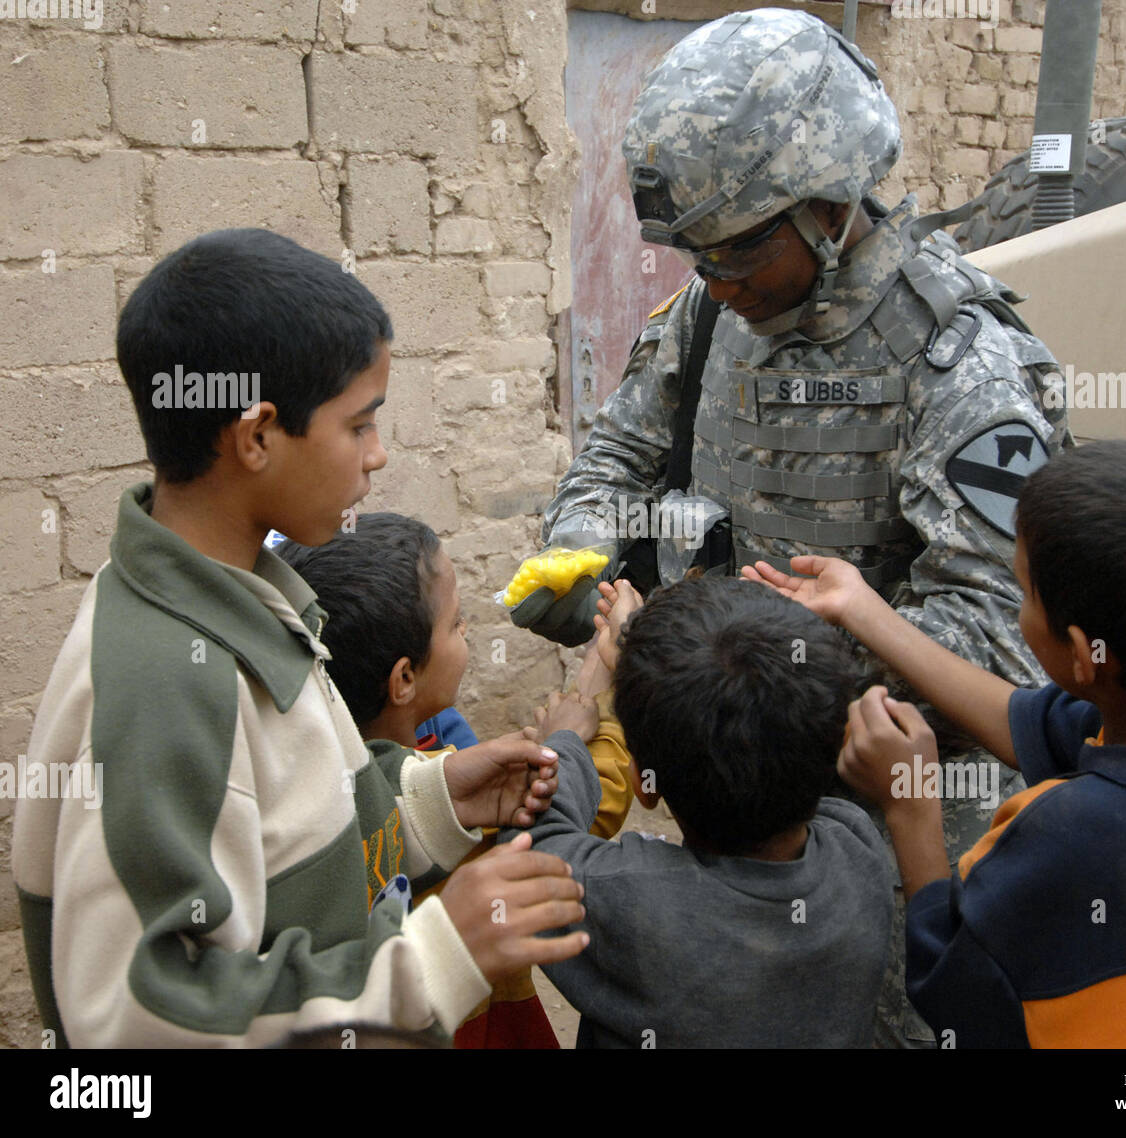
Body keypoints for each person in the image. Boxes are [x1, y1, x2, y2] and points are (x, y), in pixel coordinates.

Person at [517, 6, 1068, 1046]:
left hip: (897, 830)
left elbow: (997, 640)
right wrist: (582, 558)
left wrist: (752, 684)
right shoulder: (712, 307)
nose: (714, 285)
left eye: (733, 256)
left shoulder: (963, 363)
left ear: (824, 207)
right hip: (736, 810)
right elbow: (616, 457)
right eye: (697, 258)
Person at [10, 228, 587, 1048]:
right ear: (256, 436)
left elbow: (291, 835)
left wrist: (431, 798)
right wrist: (431, 960)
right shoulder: (165, 678)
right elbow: (133, 1020)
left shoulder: (251, 600)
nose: (378, 456)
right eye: (359, 426)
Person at [748, 439, 1126, 1047]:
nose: (1018, 613)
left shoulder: (1061, 832)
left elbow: (959, 991)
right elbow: (1027, 720)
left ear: (1085, 655)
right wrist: (863, 609)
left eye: (1025, 596)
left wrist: (911, 804)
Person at [277, 512, 634, 1047]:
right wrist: (605, 675)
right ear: (403, 679)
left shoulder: (302, 792)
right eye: (456, 624)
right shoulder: (464, 824)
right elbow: (586, 801)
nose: (467, 630)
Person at [505, 574, 896, 1048]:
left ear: (643, 785)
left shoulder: (631, 904)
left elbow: (526, 849)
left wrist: (564, 739)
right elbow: (786, 732)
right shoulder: (860, 854)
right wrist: (637, 656)